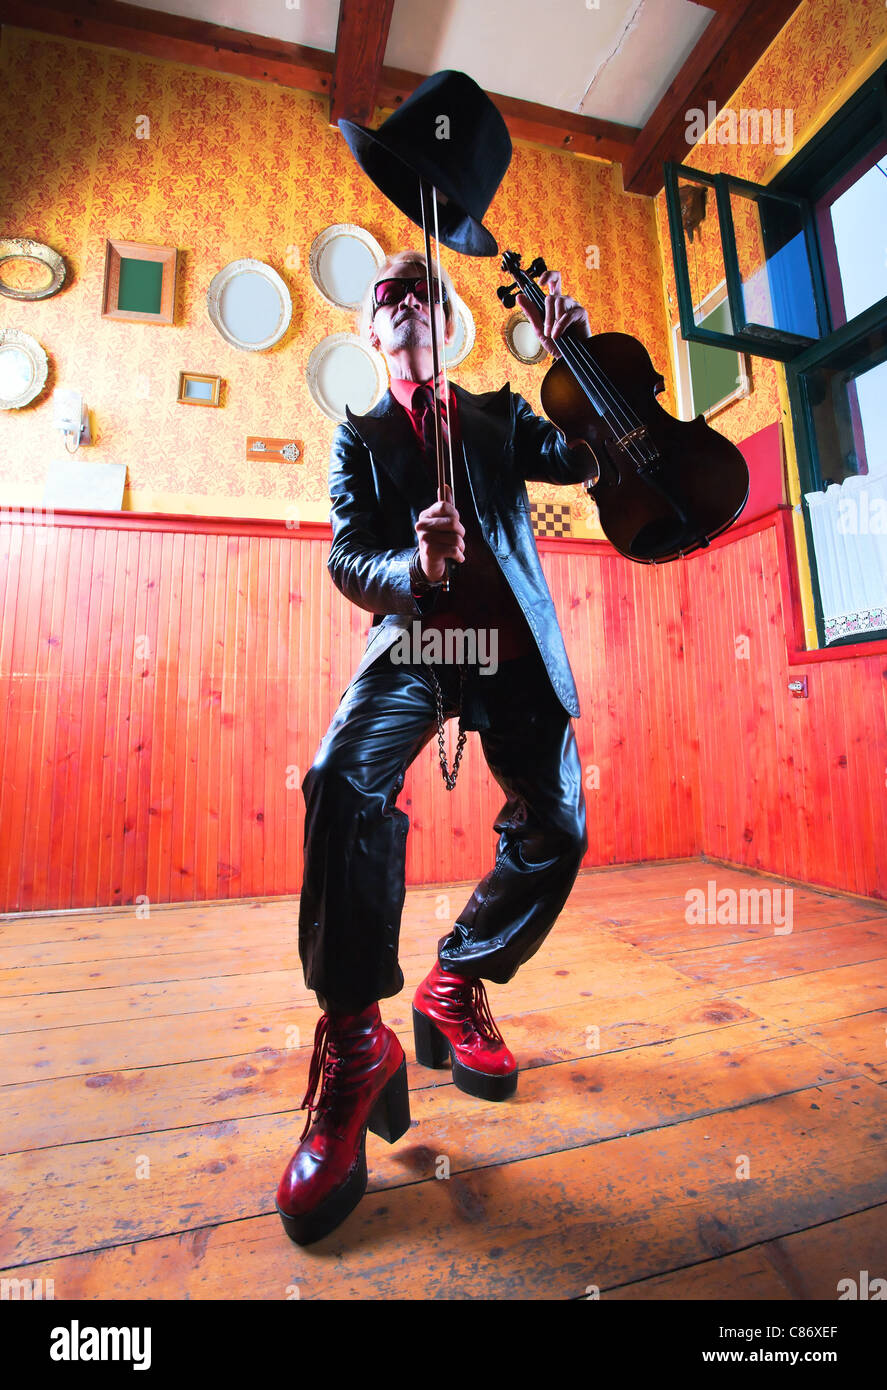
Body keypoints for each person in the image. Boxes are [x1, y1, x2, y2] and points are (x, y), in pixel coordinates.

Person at [276, 249, 596, 1246]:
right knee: (339, 778)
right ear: (373, 337)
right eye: (388, 300)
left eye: (424, 297)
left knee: (558, 824)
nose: (408, 307)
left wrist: (574, 359)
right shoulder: (360, 434)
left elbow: (590, 458)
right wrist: (411, 563)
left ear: (446, 328)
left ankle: (455, 978)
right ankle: (356, 1039)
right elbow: (343, 553)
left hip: (507, 649)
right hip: (418, 639)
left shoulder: (501, 416)